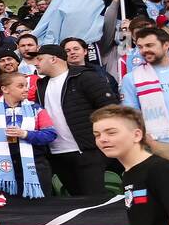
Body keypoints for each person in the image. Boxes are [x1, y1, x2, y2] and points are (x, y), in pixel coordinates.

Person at [34, 43, 117, 197]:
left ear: (53, 59)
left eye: (39, 58)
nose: (35, 63)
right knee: (76, 200)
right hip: (57, 154)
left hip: (87, 150)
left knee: (95, 199)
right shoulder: (41, 85)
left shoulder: (85, 77)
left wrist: (102, 138)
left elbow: (110, 108)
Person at [92, 105, 169, 225]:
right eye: (97, 135)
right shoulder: (129, 174)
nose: (102, 139)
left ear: (137, 135)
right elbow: (144, 221)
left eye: (111, 133)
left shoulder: (161, 169)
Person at [0, 73, 56, 199]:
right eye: (21, 86)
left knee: (41, 207)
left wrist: (25, 134)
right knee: (12, 208)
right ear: (5, 89)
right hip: (6, 164)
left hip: (35, 163)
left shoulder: (35, 109)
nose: (26, 89)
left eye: (26, 85)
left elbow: (50, 134)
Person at [121, 26, 169, 144]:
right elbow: (131, 115)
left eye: (149, 45)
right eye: (140, 47)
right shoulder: (131, 79)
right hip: (160, 144)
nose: (144, 50)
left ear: (166, 45)